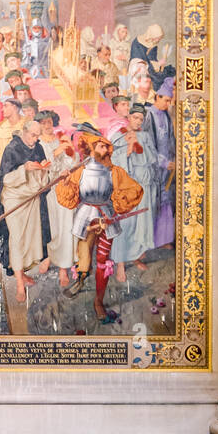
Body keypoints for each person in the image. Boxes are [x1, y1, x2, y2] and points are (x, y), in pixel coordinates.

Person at [55, 130, 143, 322]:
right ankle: (80, 279)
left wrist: (117, 202)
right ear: (92, 149)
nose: (107, 149)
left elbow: (135, 190)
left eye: (106, 146)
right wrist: (65, 181)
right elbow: (69, 196)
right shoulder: (80, 170)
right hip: (85, 216)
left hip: (106, 217)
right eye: (102, 146)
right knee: (84, 254)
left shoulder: (115, 172)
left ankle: (98, 301)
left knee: (103, 260)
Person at [0, 120, 51, 302]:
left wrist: (43, 168)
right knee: (17, 239)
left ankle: (21, 273)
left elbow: (42, 175)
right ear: (24, 132)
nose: (36, 139)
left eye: (38, 135)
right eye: (33, 135)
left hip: (32, 198)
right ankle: (19, 285)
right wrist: (24, 169)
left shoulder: (38, 148)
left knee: (30, 239)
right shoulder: (12, 148)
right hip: (14, 199)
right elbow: (6, 179)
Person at [110, 103, 159, 279]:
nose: (138, 121)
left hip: (146, 183)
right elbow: (112, 160)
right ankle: (120, 264)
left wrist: (140, 147)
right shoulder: (119, 135)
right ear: (128, 117)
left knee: (142, 223)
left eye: (141, 119)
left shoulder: (145, 136)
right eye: (135, 117)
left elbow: (153, 157)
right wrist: (128, 152)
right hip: (129, 184)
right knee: (127, 223)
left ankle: (136, 256)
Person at [37, 110, 77, 286]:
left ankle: (63, 268)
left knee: (66, 227)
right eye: (43, 122)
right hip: (48, 189)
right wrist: (55, 154)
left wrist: (68, 156)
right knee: (51, 227)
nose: (47, 125)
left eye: (49, 122)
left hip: (65, 187)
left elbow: (73, 162)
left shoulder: (62, 138)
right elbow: (41, 167)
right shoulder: (37, 143)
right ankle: (50, 257)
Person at [144, 78, 176, 248]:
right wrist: (163, 163)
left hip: (168, 167)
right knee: (155, 201)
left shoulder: (165, 115)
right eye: (166, 100)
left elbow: (170, 139)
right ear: (157, 97)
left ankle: (164, 240)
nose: (168, 104)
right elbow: (148, 145)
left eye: (170, 101)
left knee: (166, 201)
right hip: (155, 166)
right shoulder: (149, 115)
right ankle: (152, 240)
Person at [129, 23, 174, 91]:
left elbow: (153, 59)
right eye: (157, 38)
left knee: (169, 72)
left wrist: (159, 64)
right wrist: (158, 64)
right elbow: (138, 61)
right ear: (151, 35)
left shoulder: (153, 45)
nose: (158, 40)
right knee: (157, 81)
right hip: (139, 69)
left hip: (151, 68)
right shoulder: (137, 43)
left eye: (159, 38)